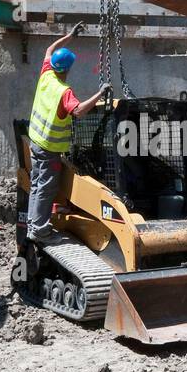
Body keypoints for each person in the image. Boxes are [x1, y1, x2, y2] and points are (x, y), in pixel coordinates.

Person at [26, 24, 109, 242]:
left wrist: (69, 36)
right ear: (67, 69)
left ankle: (33, 224)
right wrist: (99, 94)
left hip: (35, 141)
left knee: (36, 183)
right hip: (49, 148)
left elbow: (49, 50)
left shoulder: (46, 74)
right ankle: (39, 230)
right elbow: (79, 111)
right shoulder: (64, 92)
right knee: (46, 187)